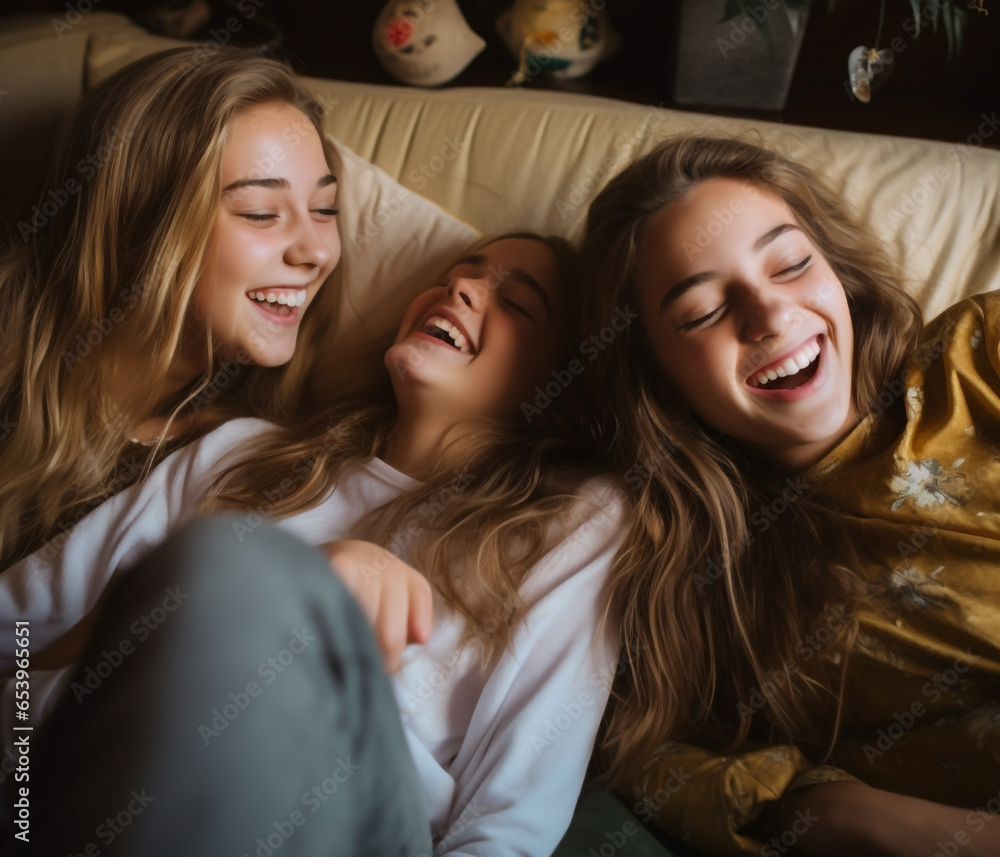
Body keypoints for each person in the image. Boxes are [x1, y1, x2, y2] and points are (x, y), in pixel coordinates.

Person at [1, 233, 624, 856]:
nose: (460, 289)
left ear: (558, 393)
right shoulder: (236, 453)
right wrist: (185, 607)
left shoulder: (570, 530)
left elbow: (508, 828)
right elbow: (15, 643)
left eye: (516, 303)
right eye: (459, 273)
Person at [577, 135, 1000, 857]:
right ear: (654, 374)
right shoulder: (699, 575)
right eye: (704, 312)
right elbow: (640, 752)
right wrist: (841, 812)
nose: (770, 317)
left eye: (792, 264)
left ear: (836, 267)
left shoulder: (977, 354)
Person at [0, 46, 342, 570]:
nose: (317, 251)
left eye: (324, 209)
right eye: (259, 213)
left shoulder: (230, 464)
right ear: (134, 226)